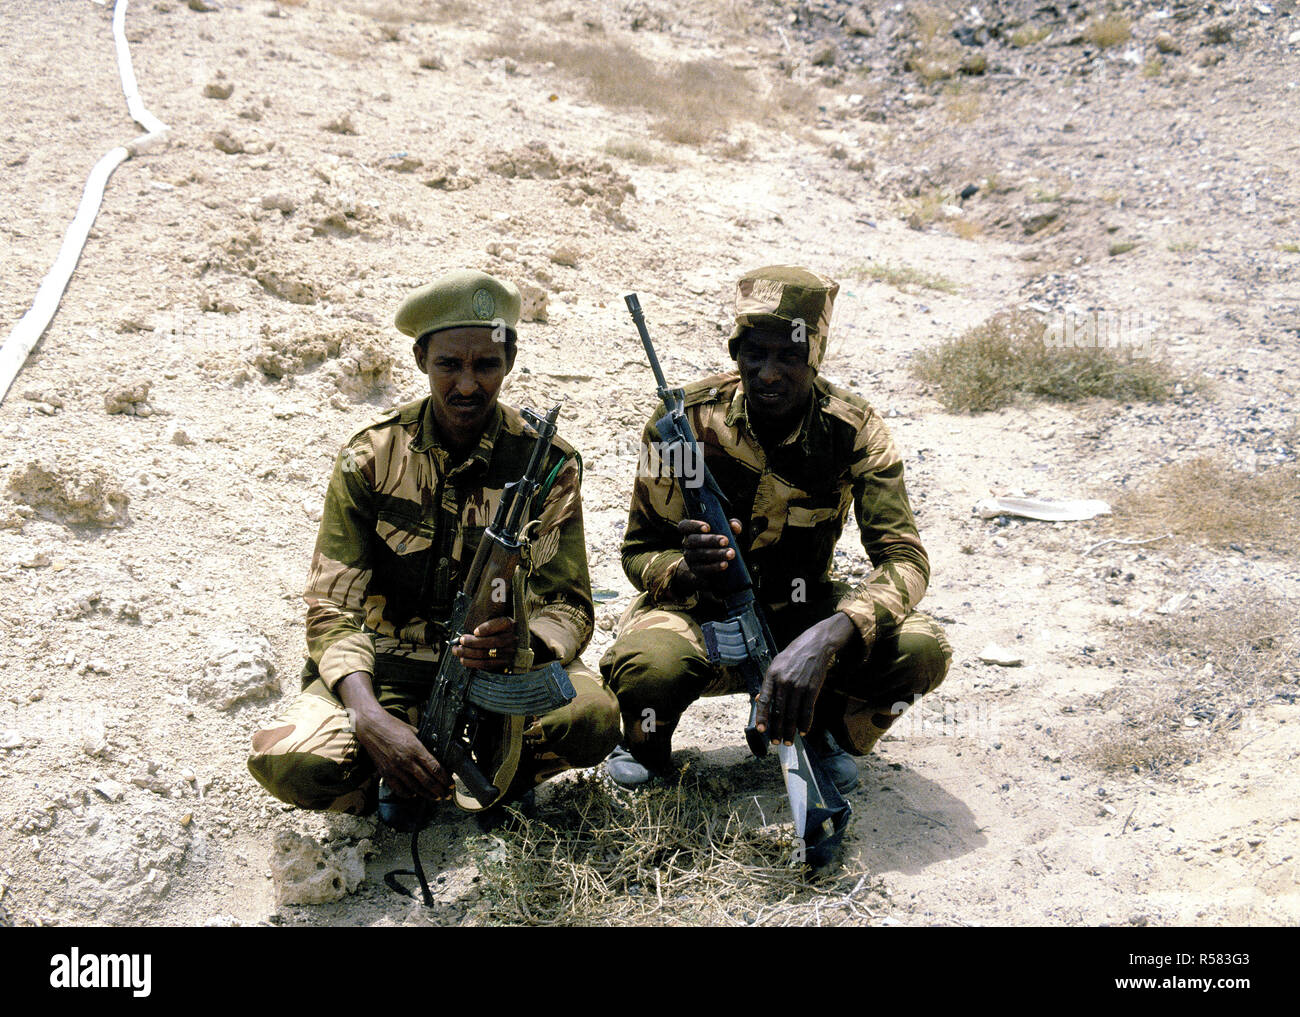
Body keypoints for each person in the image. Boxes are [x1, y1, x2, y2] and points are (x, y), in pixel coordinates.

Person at [248, 269, 619, 817]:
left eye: (486, 364)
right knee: (294, 763)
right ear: (421, 359)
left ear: (509, 362)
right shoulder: (370, 457)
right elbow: (331, 607)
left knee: (590, 719)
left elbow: (568, 603)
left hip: (501, 671)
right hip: (387, 664)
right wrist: (369, 717)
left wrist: (524, 646)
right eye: (449, 364)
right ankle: (397, 768)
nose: (467, 385)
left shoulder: (546, 463)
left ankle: (490, 775)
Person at [601, 265, 951, 791]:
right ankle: (646, 746)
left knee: (920, 649)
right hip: (700, 616)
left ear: (815, 357)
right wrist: (688, 571)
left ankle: (823, 734)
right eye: (754, 354)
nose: (768, 373)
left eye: (789, 356)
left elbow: (906, 560)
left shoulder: (853, 429)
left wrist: (829, 637)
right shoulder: (684, 422)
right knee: (650, 667)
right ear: (735, 353)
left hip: (802, 611)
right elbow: (639, 552)